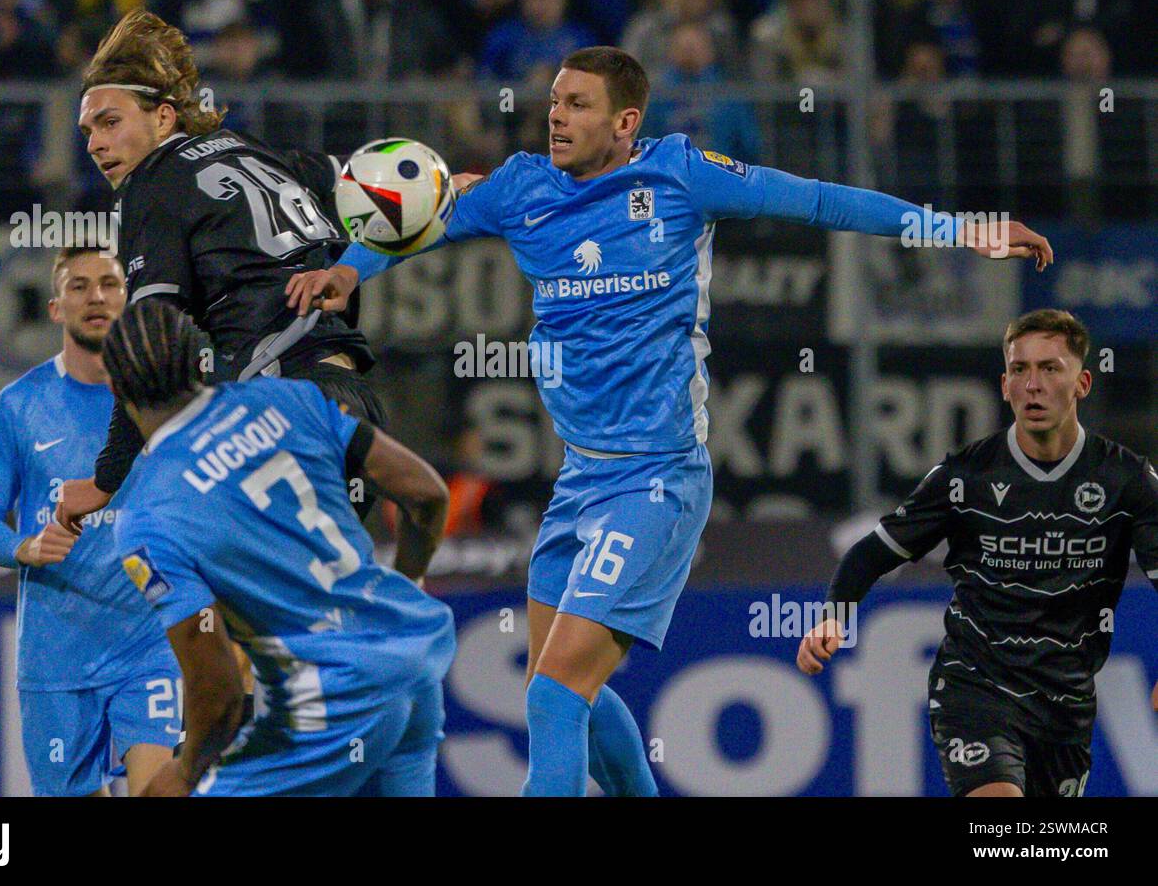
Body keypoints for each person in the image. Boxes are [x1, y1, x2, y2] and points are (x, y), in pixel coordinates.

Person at [286, 45, 1054, 796]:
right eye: (553, 100)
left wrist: (959, 229)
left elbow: (822, 200)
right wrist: (350, 269)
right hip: (580, 477)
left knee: (555, 696)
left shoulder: (681, 175)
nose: (555, 116)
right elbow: (419, 223)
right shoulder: (521, 188)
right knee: (561, 690)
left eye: (576, 105)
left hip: (656, 479)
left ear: (625, 123)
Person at [53, 8, 386, 538]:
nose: (94, 143)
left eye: (110, 122)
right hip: (353, 405)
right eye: (88, 129)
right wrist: (438, 185)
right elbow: (361, 177)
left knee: (164, 552)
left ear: (163, 117)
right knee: (309, 604)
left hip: (282, 412)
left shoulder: (152, 186)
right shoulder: (247, 148)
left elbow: (149, 345)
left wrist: (105, 479)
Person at [798, 310, 1158, 797]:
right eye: (1019, 370)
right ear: (1005, 385)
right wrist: (833, 617)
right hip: (975, 688)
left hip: (1066, 707)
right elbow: (871, 554)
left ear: (1083, 383)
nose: (1033, 384)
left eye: (1050, 369)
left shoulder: (1127, 480)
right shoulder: (965, 477)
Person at [101, 300, 454, 796]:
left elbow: (221, 694)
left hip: (329, 700)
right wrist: (410, 580)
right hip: (410, 659)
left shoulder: (146, 516)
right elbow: (427, 496)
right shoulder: (286, 399)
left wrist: (183, 774)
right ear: (201, 361)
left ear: (115, 388)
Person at [0, 247, 181, 796]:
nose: (97, 297)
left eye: (109, 284)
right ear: (57, 307)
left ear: (127, 300)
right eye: (80, 287)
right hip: (56, 656)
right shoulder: (19, 405)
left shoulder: (164, 399)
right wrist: (24, 548)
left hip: (149, 641)